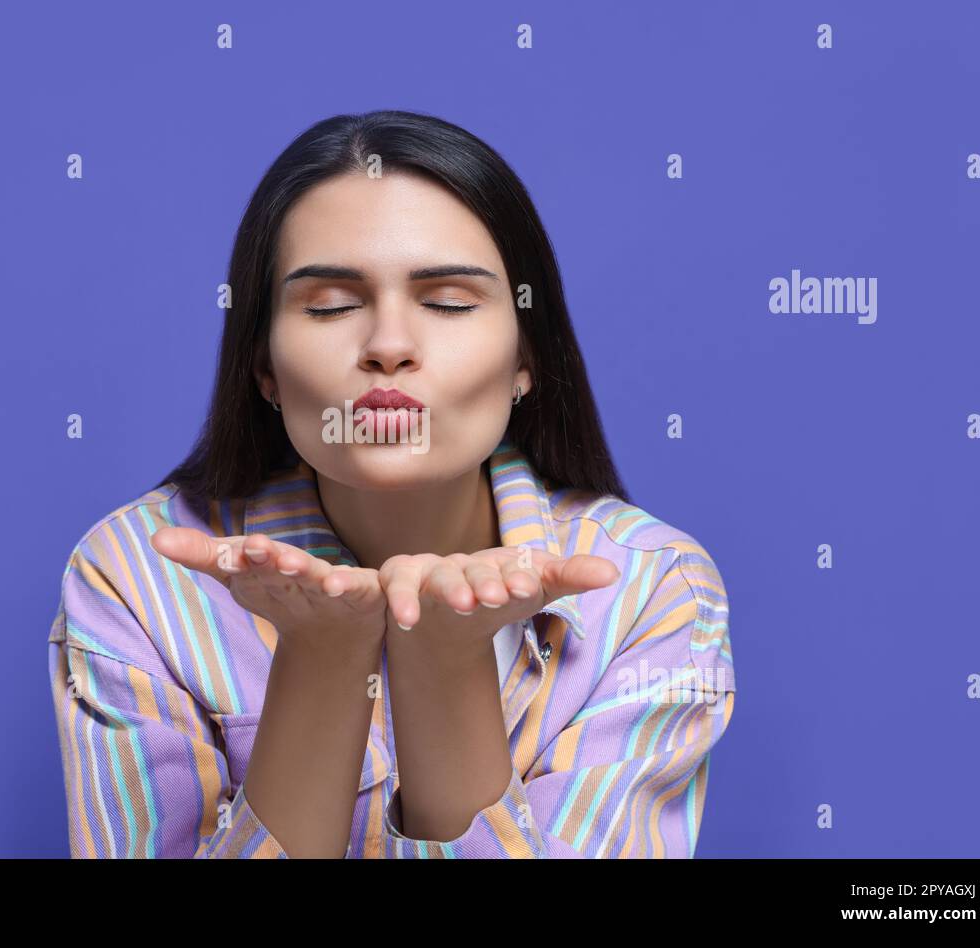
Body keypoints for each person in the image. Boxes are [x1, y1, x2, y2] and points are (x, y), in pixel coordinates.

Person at [47, 109, 736, 859]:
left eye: (446, 302)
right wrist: (319, 657)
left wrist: (444, 663)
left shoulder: (647, 587)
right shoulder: (139, 577)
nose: (388, 347)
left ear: (525, 358)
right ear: (265, 368)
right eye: (331, 306)